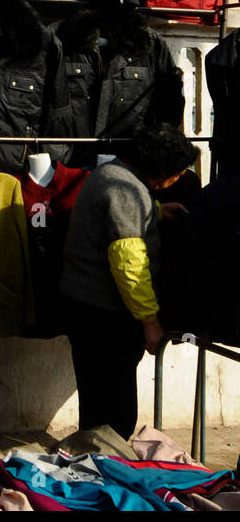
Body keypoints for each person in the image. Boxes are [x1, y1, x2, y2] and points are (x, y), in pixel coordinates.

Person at [59, 123, 199, 439]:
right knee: (115, 408)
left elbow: (116, 219)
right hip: (103, 314)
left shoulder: (113, 174)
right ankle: (108, 464)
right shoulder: (125, 189)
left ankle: (96, 458)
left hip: (84, 306)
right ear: (159, 167)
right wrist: (150, 322)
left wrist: (157, 211)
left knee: (96, 396)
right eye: (176, 173)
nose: (177, 179)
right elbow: (129, 262)